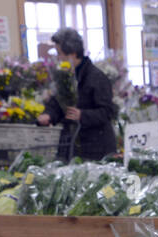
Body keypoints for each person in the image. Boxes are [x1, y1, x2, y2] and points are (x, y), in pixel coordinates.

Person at [37, 27, 118, 161]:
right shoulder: (64, 76)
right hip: (71, 144)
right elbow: (58, 103)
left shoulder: (96, 77)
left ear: (73, 53)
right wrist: (48, 115)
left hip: (96, 148)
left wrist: (82, 115)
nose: (58, 58)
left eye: (59, 53)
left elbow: (108, 112)